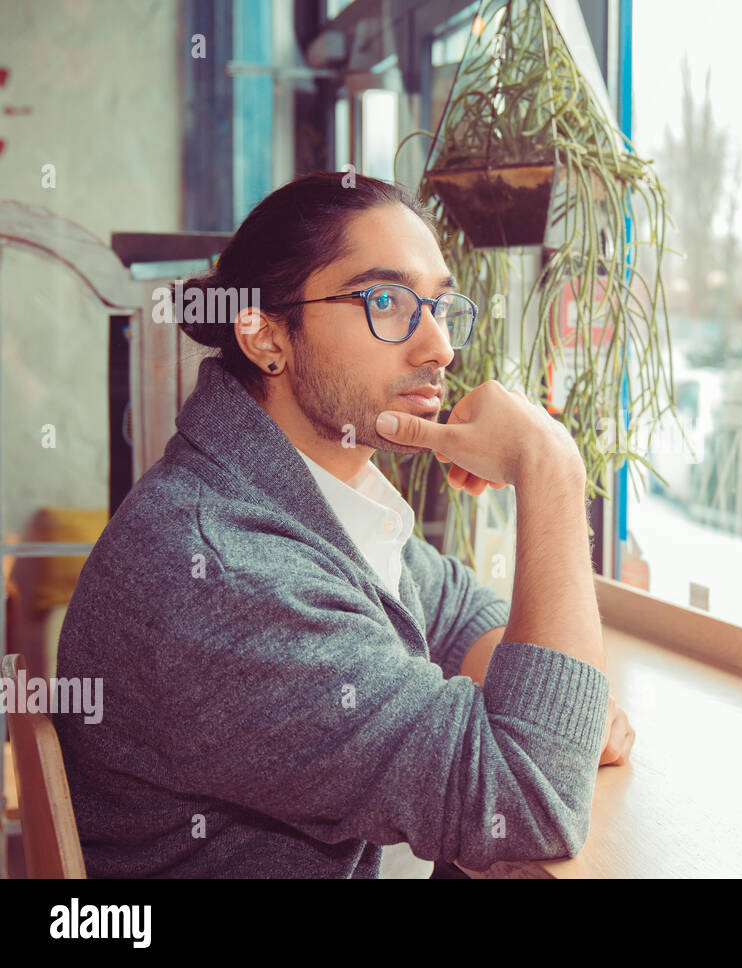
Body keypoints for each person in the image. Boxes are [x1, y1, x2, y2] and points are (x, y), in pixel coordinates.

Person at [53, 170, 634, 878]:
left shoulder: (297, 497)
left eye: (440, 305)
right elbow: (530, 802)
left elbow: (458, 614)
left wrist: (548, 720)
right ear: (267, 335)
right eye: (385, 301)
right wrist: (550, 469)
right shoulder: (225, 570)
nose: (439, 349)